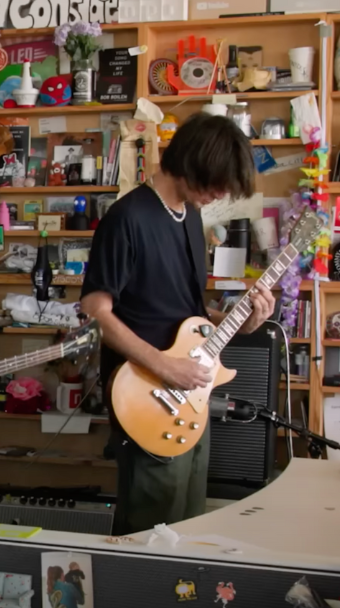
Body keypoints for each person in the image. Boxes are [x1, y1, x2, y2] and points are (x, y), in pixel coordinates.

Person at [79, 113, 276, 535]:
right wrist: (165, 366)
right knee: (150, 527)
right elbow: (95, 312)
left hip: (189, 394)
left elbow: (187, 316)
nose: (220, 194)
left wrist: (241, 321)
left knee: (187, 522)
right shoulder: (127, 218)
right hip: (146, 394)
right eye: (216, 183)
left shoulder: (188, 218)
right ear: (190, 163)